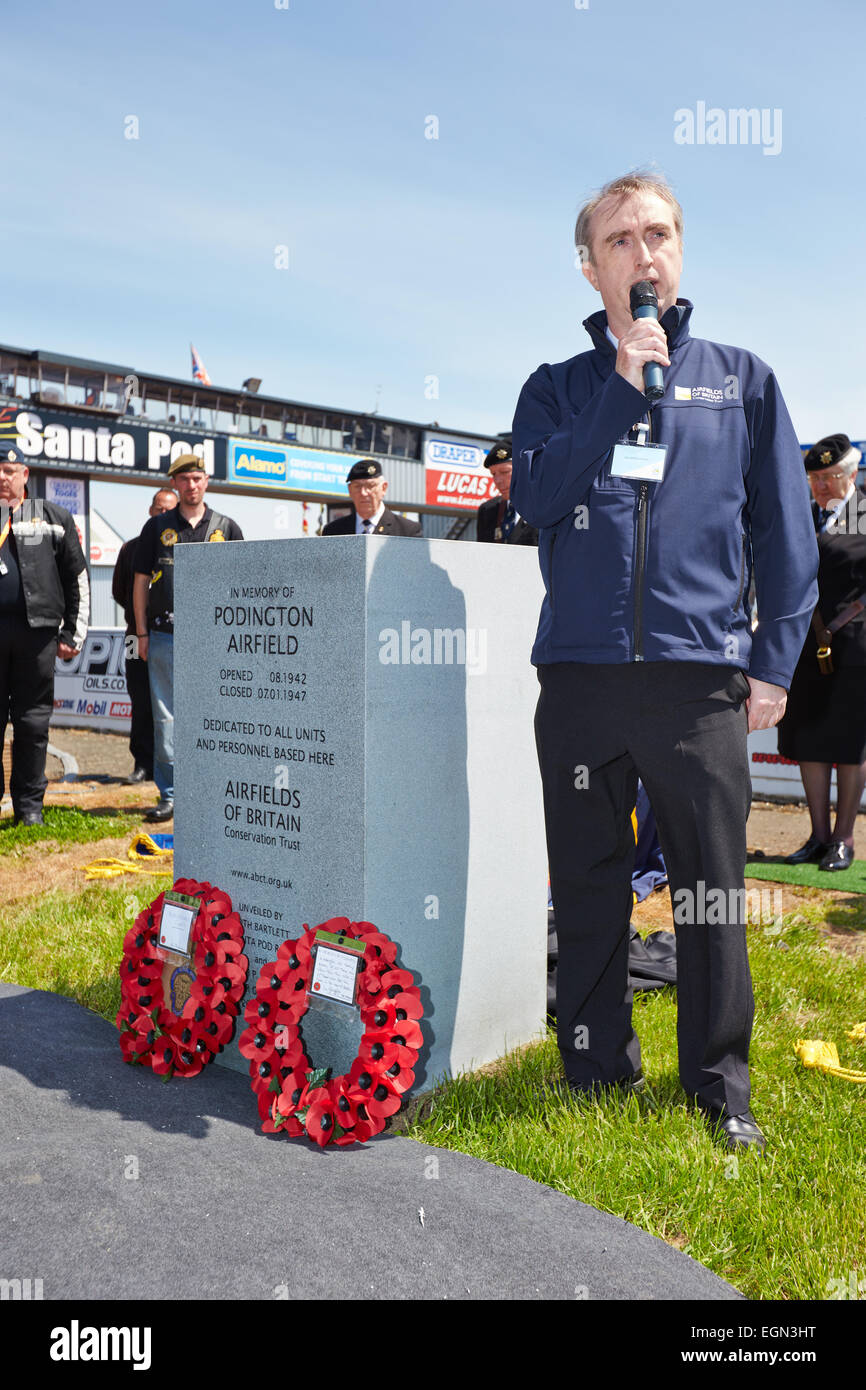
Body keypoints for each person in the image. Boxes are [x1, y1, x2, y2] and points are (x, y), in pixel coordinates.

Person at [511, 171, 818, 1152]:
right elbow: (541, 499)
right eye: (618, 239)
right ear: (589, 264)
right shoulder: (555, 387)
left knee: (708, 890)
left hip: (695, 684)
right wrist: (613, 388)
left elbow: (783, 537)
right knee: (589, 878)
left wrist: (769, 663)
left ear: (676, 252)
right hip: (580, 684)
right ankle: (594, 1067)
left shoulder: (741, 380)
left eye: (657, 235)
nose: (642, 254)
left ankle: (717, 1087)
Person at [133, 455, 243, 823]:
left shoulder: (227, 527)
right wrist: (142, 632)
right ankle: (170, 795)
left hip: (216, 643)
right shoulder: (157, 527)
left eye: (197, 478)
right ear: (174, 484)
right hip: (164, 637)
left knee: (217, 719)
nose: (191, 485)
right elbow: (139, 582)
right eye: (184, 479)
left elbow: (245, 585)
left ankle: (213, 790)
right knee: (166, 721)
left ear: (207, 481)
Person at [779, 434, 866, 871]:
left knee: (851, 744)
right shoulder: (800, 515)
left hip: (856, 643)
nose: (821, 487)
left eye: (829, 477)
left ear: (851, 474)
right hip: (804, 643)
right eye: (814, 478)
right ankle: (817, 836)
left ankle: (844, 839)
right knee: (809, 739)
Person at [0, 444, 89, 826]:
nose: (3, 478)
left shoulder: (54, 517)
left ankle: (29, 808)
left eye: (8, 470)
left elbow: (78, 578)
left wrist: (74, 632)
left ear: (24, 475)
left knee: (33, 724)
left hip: (37, 637)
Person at [112, 486, 176, 785]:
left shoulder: (178, 545)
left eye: (168, 509)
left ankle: (172, 765)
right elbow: (118, 591)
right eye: (158, 508)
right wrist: (142, 620)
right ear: (150, 511)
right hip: (133, 635)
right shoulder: (130, 548)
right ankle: (142, 763)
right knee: (138, 699)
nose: (162, 513)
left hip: (171, 635)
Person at [321, 459, 423, 535]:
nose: (364, 493)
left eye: (370, 486)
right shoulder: (333, 531)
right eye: (357, 486)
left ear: (384, 488)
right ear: (349, 490)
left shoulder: (407, 531)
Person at [476, 441, 538, 545]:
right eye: (493, 474)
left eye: (505, 472)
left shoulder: (544, 506)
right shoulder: (487, 511)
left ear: (524, 469)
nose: (498, 480)